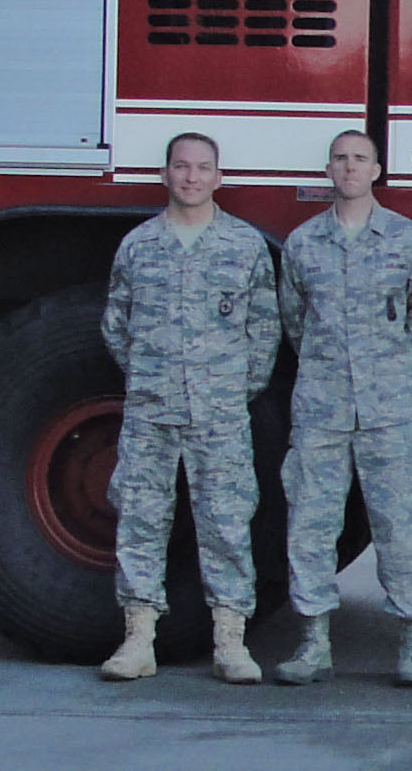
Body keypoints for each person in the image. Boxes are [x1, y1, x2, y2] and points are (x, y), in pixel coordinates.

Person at [98, 132, 281, 683]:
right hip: (151, 411)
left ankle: (230, 641)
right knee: (141, 522)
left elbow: (265, 330)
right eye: (182, 167)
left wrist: (229, 388)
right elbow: (116, 325)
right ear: (166, 174)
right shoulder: (138, 246)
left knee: (226, 524)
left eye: (203, 168)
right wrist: (152, 378)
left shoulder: (244, 247)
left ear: (218, 178)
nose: (192, 178)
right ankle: (138, 639)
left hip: (220, 413)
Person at [271, 129, 412, 687]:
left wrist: (391, 366)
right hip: (321, 407)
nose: (349, 167)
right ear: (328, 170)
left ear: (376, 170)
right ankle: (313, 642)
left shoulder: (408, 240)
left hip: (389, 408)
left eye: (360, 159)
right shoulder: (302, 244)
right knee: (311, 525)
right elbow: (295, 320)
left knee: (401, 526)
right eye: (340, 159)